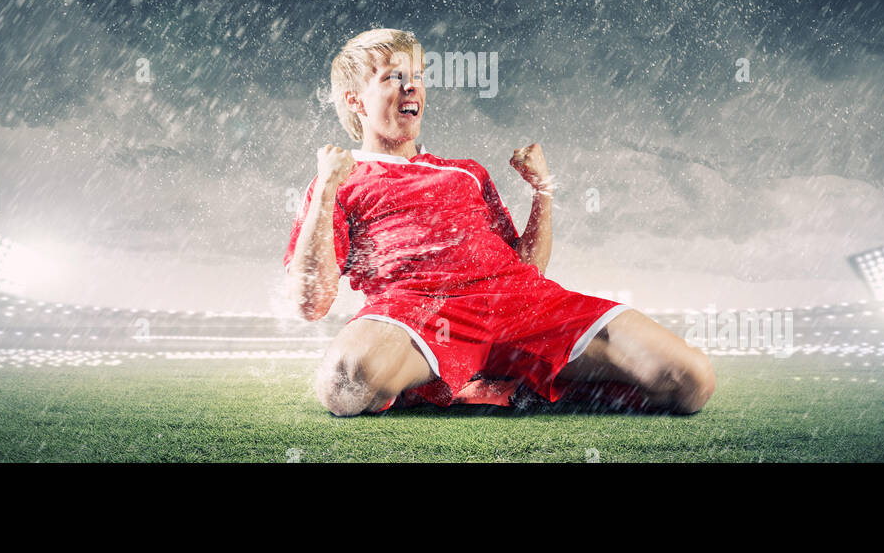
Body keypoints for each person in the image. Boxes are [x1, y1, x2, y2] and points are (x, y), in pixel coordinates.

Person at [283, 28, 715, 416]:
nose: (411, 84)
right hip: (420, 310)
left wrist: (542, 191)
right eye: (392, 76)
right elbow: (310, 303)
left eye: (417, 74)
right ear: (355, 100)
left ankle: (516, 386)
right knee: (345, 382)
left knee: (691, 381)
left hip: (522, 303)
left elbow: (529, 269)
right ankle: (454, 382)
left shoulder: (467, 173)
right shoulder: (339, 180)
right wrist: (324, 192)